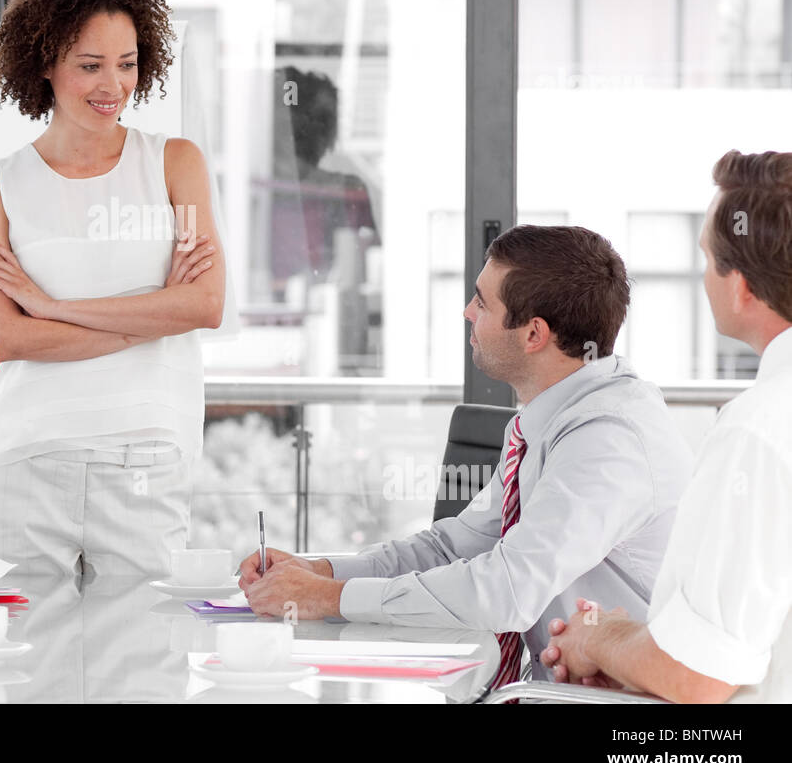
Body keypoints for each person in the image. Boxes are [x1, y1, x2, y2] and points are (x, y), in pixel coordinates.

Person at [237, 224, 693, 688]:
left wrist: (331, 598)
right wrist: (323, 571)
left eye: (483, 302)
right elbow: (451, 548)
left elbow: (505, 590)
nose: (467, 312)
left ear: (534, 334)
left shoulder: (607, 441)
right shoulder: (548, 421)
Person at [0, 0, 225, 579]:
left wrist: (53, 307)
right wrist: (153, 313)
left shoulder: (174, 164)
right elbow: (8, 337)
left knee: (142, 659)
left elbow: (204, 306)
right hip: (25, 457)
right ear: (45, 64)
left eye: (127, 64)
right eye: (90, 65)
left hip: (147, 455)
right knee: (21, 663)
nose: (113, 85)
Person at [542, 150, 792, 703]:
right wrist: (629, 651)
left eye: (707, 258)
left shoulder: (759, 430)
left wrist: (600, 638)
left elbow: (697, 680)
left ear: (742, 287)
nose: (703, 277)